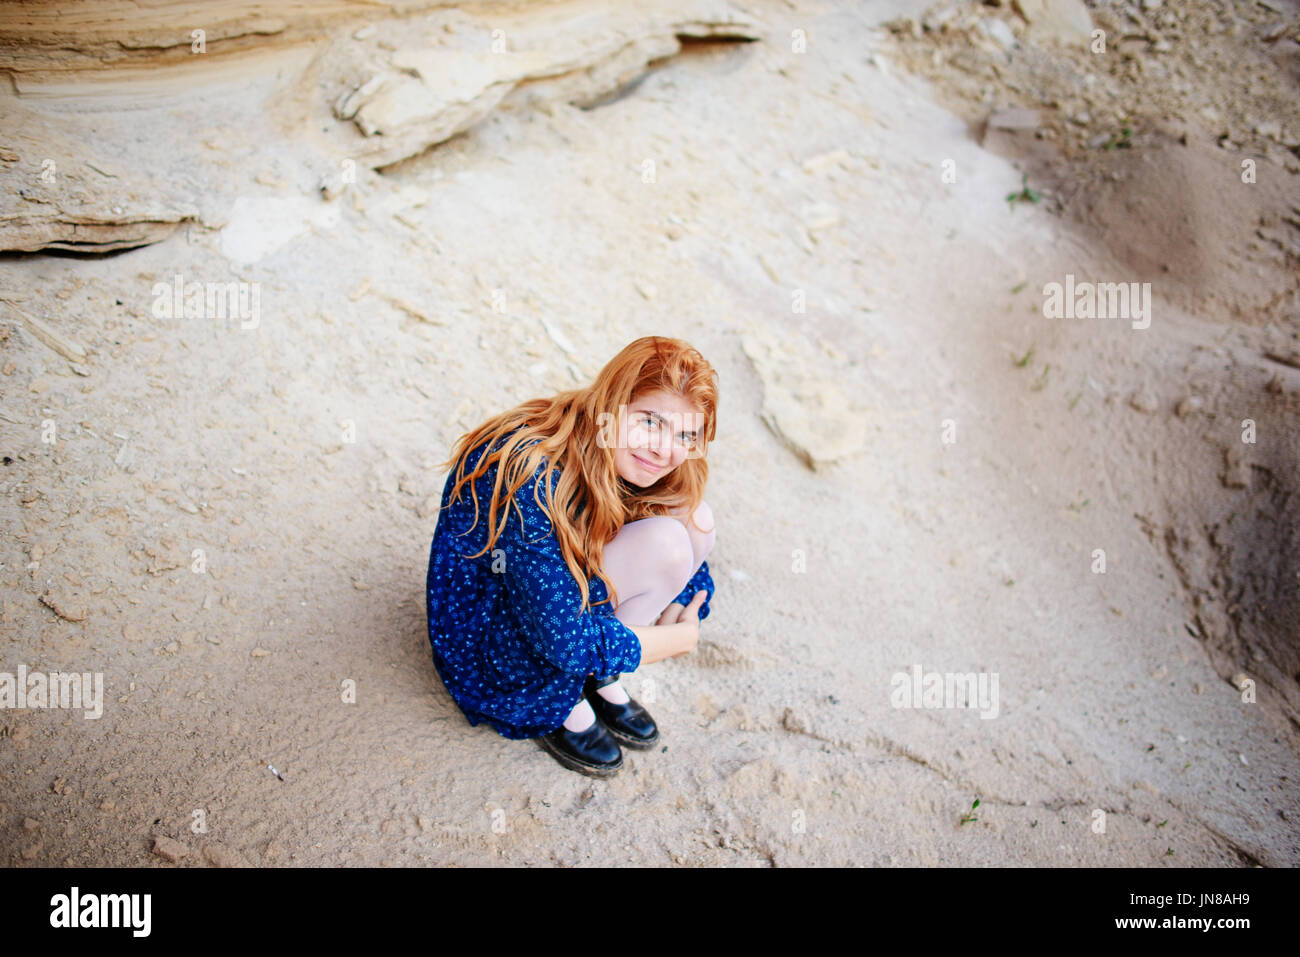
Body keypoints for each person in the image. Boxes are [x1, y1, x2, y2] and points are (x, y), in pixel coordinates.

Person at [425, 336, 718, 778]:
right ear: (614, 403)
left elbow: (685, 546)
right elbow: (564, 638)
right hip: (496, 637)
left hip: (559, 592)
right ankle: (560, 697)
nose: (665, 449)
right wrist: (677, 640)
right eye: (651, 421)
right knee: (664, 544)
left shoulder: (634, 446)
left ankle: (597, 676)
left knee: (694, 518)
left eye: (684, 434)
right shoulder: (530, 475)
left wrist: (689, 594)